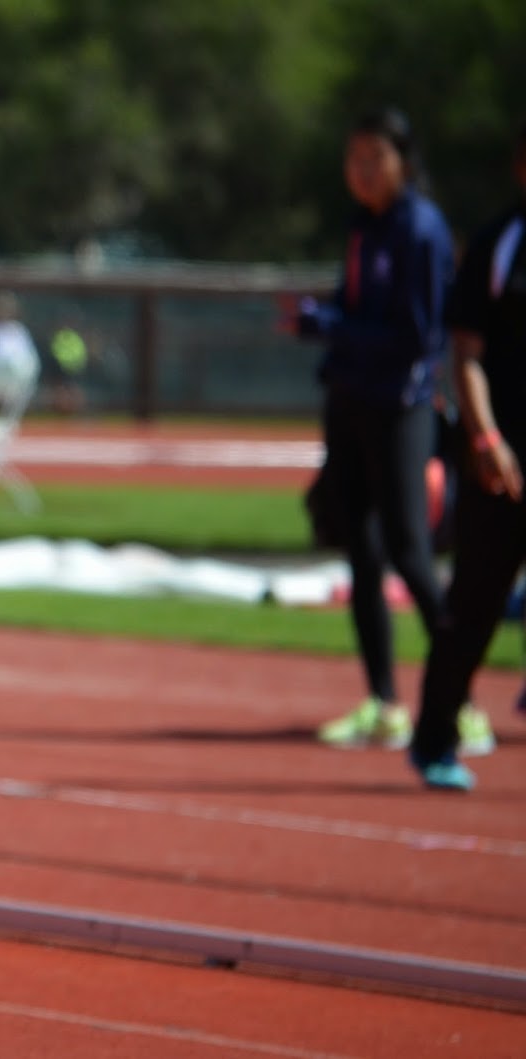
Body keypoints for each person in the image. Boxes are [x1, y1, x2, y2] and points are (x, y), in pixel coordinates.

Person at [287, 107, 456, 753]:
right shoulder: (365, 226)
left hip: (400, 405)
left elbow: (418, 336)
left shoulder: (421, 230)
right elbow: (353, 306)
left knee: (410, 549)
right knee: (359, 549)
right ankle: (384, 701)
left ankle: (456, 694)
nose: (360, 171)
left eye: (374, 158)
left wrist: (334, 327)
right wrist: (319, 318)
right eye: (352, 159)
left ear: (403, 162)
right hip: (351, 398)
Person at [409, 120, 526, 790]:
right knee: (475, 604)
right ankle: (434, 737)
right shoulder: (499, 246)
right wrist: (485, 438)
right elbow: (467, 354)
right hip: (500, 462)